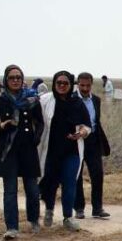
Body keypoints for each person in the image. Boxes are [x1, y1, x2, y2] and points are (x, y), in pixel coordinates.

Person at [0, 64, 44, 240]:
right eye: (12, 78)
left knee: (32, 189)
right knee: (10, 190)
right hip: (8, 150)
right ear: (6, 80)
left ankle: (34, 220)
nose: (15, 81)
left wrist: (36, 138)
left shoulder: (32, 100)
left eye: (18, 77)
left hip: (28, 149)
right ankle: (12, 227)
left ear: (23, 79)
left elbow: (40, 123)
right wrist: (1, 126)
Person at [38, 71, 91, 231]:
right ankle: (49, 210)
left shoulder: (77, 103)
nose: (62, 86)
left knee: (69, 183)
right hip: (51, 150)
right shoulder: (45, 100)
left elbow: (87, 125)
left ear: (71, 85)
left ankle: (68, 217)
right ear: (54, 84)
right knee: (50, 182)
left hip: (72, 151)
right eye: (59, 82)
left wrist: (81, 133)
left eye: (65, 83)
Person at [73, 72, 111, 219]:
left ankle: (97, 208)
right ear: (77, 84)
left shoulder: (96, 100)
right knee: (77, 175)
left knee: (97, 174)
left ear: (91, 85)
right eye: (82, 85)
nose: (85, 88)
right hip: (77, 141)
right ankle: (79, 208)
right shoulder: (72, 100)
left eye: (87, 85)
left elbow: (96, 121)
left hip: (93, 140)